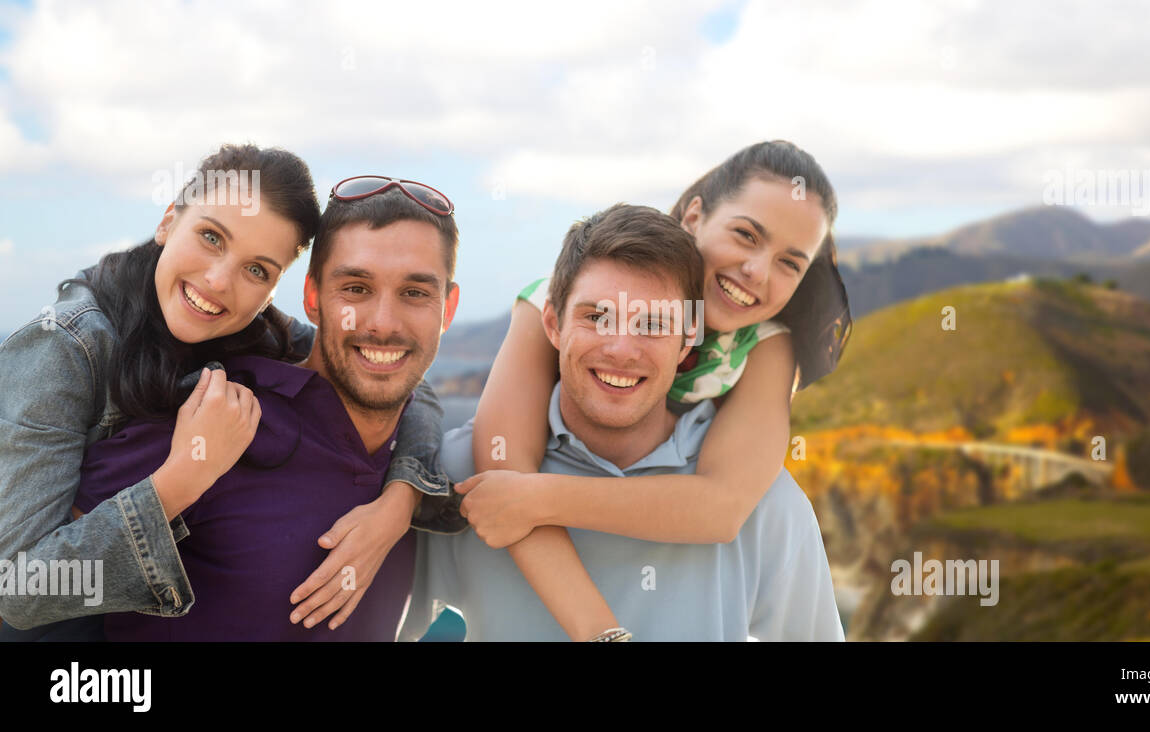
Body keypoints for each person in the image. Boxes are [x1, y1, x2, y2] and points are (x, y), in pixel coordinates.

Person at [0, 149, 456, 639]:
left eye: (257, 269)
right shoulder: (67, 345)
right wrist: (186, 476)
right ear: (168, 221)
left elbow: (395, 377)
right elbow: (17, 590)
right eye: (211, 236)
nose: (219, 281)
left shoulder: (252, 329)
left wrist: (399, 501)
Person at [450, 141, 852, 640]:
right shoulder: (567, 297)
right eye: (746, 235)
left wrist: (542, 496)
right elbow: (502, 475)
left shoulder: (767, 347)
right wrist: (601, 633)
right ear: (694, 215)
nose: (757, 271)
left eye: (790, 263)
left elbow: (721, 510)